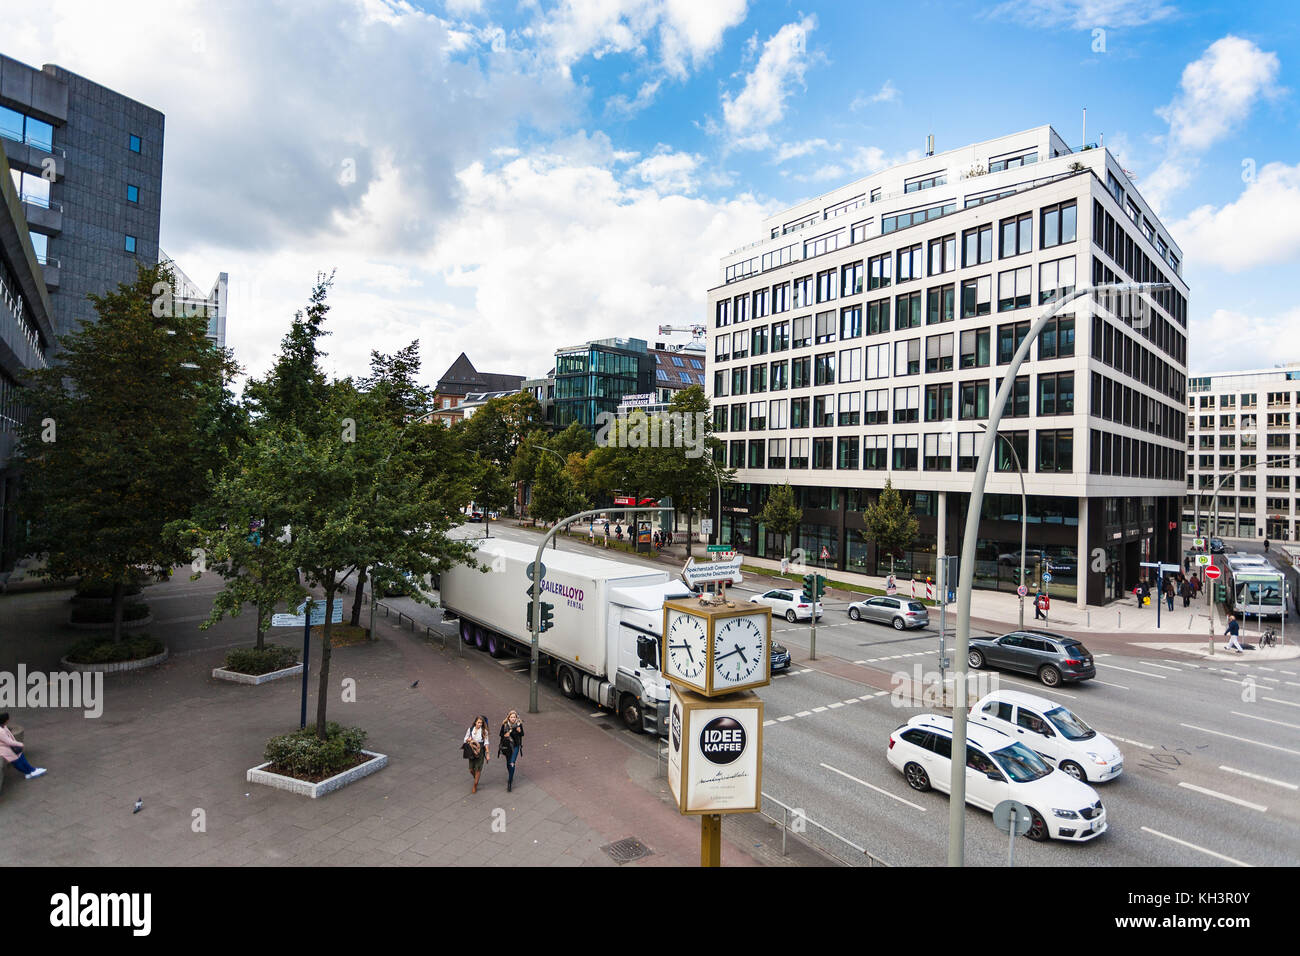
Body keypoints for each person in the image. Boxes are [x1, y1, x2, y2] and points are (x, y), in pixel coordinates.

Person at [0, 713, 46, 779]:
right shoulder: (1, 731)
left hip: (7, 747)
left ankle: (30, 771)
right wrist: (20, 744)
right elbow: (8, 741)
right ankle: (30, 772)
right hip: (5, 749)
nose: (8, 720)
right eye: (8, 719)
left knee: (19, 757)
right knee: (16, 762)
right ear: (5, 720)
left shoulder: (3, 727)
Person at [498, 710, 525, 793]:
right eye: (511, 717)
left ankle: (509, 782)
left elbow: (522, 734)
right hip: (507, 747)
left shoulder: (518, 725)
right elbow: (501, 734)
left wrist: (519, 731)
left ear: (516, 718)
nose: (513, 718)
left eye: (514, 717)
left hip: (516, 746)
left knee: (512, 763)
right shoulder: (505, 725)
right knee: (508, 763)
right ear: (508, 717)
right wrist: (505, 735)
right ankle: (511, 774)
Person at [463, 715, 491, 793]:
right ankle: (476, 778)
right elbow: (465, 739)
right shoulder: (470, 729)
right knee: (471, 769)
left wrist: (488, 754)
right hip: (471, 750)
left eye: (481, 723)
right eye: (478, 722)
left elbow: (486, 742)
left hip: (480, 751)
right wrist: (468, 740)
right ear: (475, 722)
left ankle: (475, 785)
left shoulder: (484, 731)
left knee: (478, 769)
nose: (480, 724)